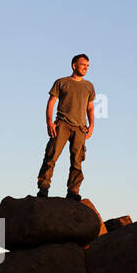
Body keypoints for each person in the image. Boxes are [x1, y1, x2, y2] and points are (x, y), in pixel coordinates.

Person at [35, 54, 96, 200]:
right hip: (62, 125)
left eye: (88, 66)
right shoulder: (61, 82)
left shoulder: (89, 86)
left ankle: (73, 191)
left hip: (80, 128)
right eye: (83, 65)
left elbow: (90, 108)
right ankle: (44, 187)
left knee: (77, 161)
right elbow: (51, 103)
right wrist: (49, 122)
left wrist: (92, 125)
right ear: (74, 66)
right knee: (51, 156)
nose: (86, 68)